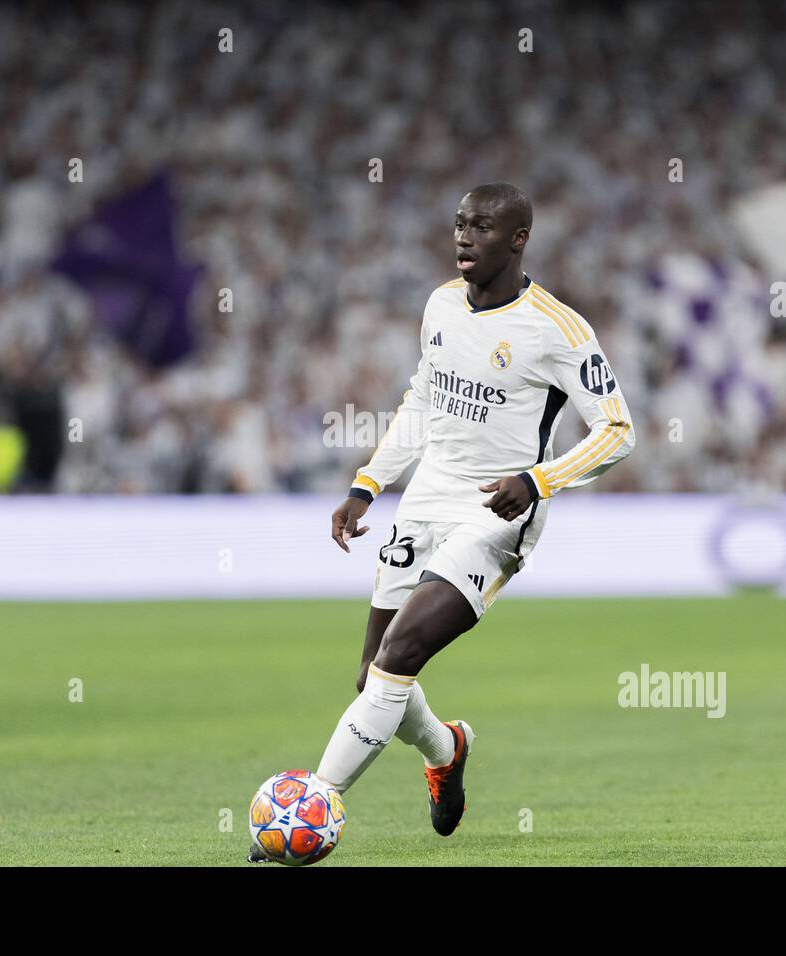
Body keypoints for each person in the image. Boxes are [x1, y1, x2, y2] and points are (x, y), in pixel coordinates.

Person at [249, 182, 635, 861]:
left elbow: (618, 430)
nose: (464, 237)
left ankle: (310, 808)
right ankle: (447, 746)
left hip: (495, 511)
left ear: (518, 240)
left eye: (482, 227)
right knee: (373, 676)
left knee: (400, 658)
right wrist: (368, 484)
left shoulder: (558, 329)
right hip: (426, 497)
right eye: (459, 224)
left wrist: (537, 480)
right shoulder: (439, 305)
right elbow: (423, 403)